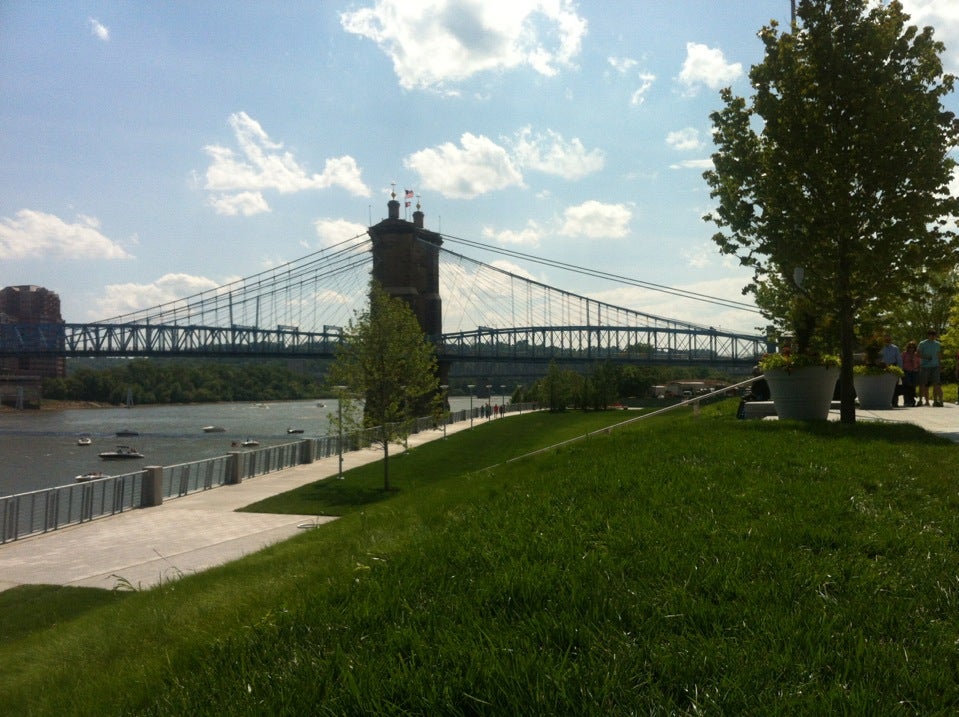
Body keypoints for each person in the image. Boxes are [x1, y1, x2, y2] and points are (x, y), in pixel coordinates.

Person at [918, 329, 943, 407]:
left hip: (935, 366)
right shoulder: (922, 343)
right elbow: (918, 353)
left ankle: (937, 401)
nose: (933, 337)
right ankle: (920, 400)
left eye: (934, 335)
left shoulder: (937, 344)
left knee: (936, 384)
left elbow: (939, 354)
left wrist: (940, 364)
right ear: (928, 335)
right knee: (922, 383)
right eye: (931, 335)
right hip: (925, 366)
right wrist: (925, 357)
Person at [880, 333, 903, 407]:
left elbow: (899, 359)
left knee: (894, 386)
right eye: (886, 339)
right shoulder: (880, 348)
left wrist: (899, 370)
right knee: (883, 386)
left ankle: (894, 402)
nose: (888, 340)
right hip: (882, 367)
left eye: (889, 339)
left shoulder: (895, 348)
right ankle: (884, 402)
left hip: (892, 366)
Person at [901, 340, 920, 407]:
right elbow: (901, 362)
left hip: (914, 371)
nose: (911, 349)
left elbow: (919, 363)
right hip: (906, 371)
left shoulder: (916, 354)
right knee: (906, 386)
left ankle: (912, 401)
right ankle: (906, 401)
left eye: (913, 347)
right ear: (908, 347)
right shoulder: (904, 354)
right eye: (910, 347)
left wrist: (917, 368)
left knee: (913, 387)